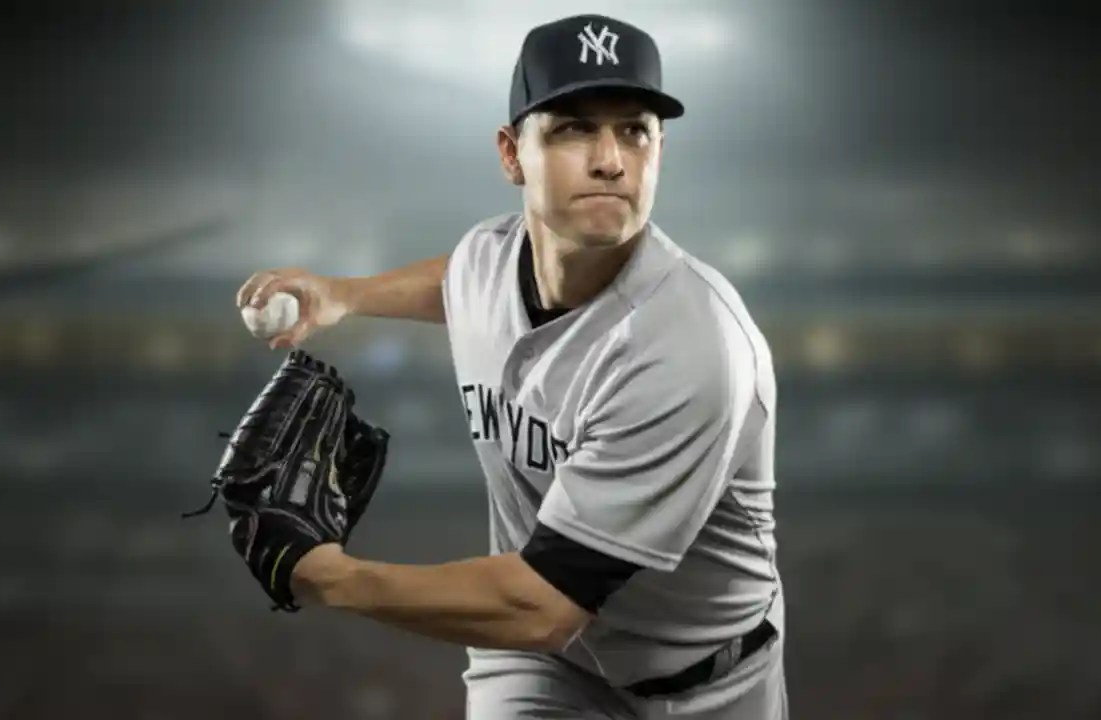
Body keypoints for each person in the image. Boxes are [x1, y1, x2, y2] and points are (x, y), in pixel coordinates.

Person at [235, 13, 787, 720]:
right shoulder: (490, 258)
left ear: (659, 150)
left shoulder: (691, 345)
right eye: (574, 128)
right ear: (510, 153)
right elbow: (465, 280)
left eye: (635, 131)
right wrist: (343, 296)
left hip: (709, 681)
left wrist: (329, 578)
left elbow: (540, 605)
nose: (611, 158)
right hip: (542, 669)